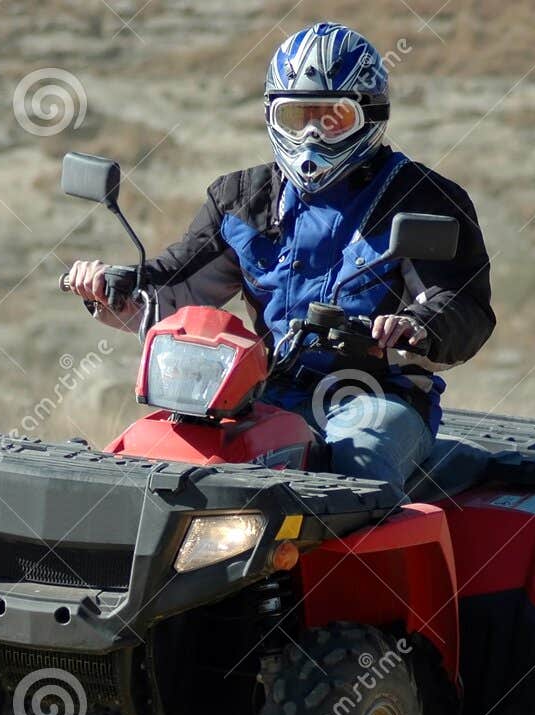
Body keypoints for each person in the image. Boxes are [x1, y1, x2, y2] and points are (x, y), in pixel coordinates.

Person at [65, 21, 494, 487]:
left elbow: (463, 304)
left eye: (332, 119)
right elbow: (178, 284)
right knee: (163, 453)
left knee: (357, 470)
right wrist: (115, 285)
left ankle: (355, 562)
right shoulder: (239, 198)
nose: (312, 135)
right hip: (260, 388)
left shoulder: (424, 200)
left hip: (377, 394)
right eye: (297, 118)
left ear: (369, 114)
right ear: (272, 116)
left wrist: (417, 326)